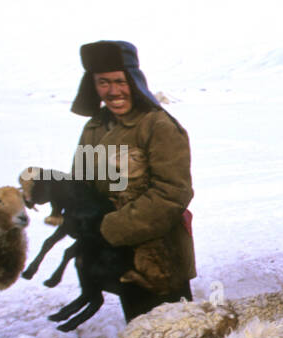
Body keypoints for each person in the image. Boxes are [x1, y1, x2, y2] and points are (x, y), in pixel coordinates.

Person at [68, 40, 195, 321]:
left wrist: (108, 228)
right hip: (116, 258)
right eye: (103, 82)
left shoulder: (158, 126)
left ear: (134, 81)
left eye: (119, 81)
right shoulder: (95, 127)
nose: (112, 92)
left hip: (159, 259)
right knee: (139, 330)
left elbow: (172, 193)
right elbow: (81, 182)